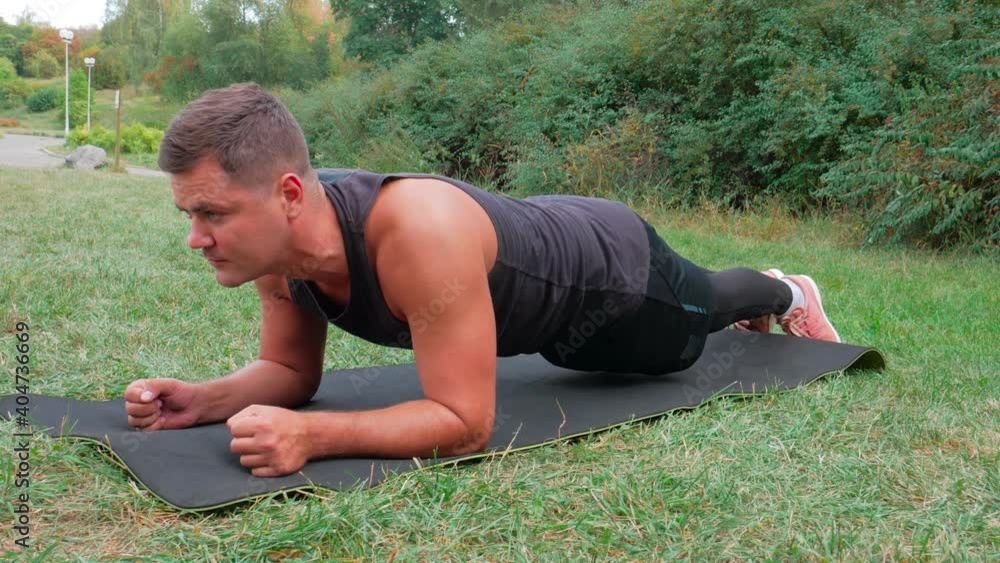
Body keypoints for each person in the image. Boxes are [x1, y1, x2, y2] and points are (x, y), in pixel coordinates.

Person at [124, 83, 840, 477]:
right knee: (577, 355)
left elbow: (467, 424)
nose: (196, 238)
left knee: (702, 313)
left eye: (211, 213)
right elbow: (288, 368)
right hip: (539, 254)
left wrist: (311, 437)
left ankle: (786, 290)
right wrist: (205, 399)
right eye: (189, 214)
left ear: (286, 193)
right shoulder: (281, 251)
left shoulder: (415, 232)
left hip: (614, 273)